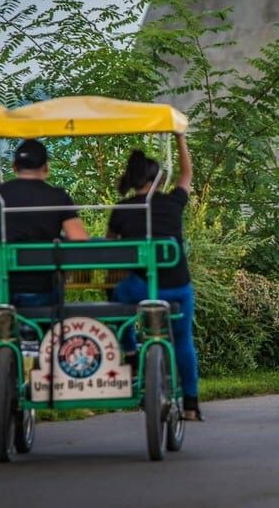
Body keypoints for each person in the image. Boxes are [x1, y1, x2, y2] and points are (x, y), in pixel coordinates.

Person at [0, 139, 90, 397]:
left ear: (14, 165)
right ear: (46, 168)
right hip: (42, 290)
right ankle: (42, 369)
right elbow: (80, 241)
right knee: (47, 314)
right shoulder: (58, 197)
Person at [107, 133, 202, 422]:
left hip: (141, 288)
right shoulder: (173, 202)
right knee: (183, 339)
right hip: (177, 287)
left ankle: (131, 353)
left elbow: (109, 249)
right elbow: (187, 173)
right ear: (160, 180)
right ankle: (191, 404)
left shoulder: (121, 210)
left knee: (115, 303)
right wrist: (181, 139)